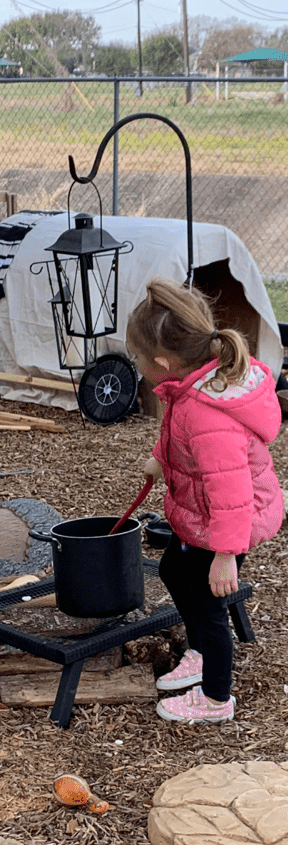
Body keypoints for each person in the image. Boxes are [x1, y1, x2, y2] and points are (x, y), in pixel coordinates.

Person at [126, 277, 284, 725]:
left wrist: (225, 556)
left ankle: (216, 698)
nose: (137, 365)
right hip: (204, 517)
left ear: (162, 361)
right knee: (177, 571)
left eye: (138, 358)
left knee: (210, 605)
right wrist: (160, 459)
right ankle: (196, 651)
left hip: (226, 526)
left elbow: (231, 491)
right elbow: (177, 436)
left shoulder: (205, 413)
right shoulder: (191, 385)